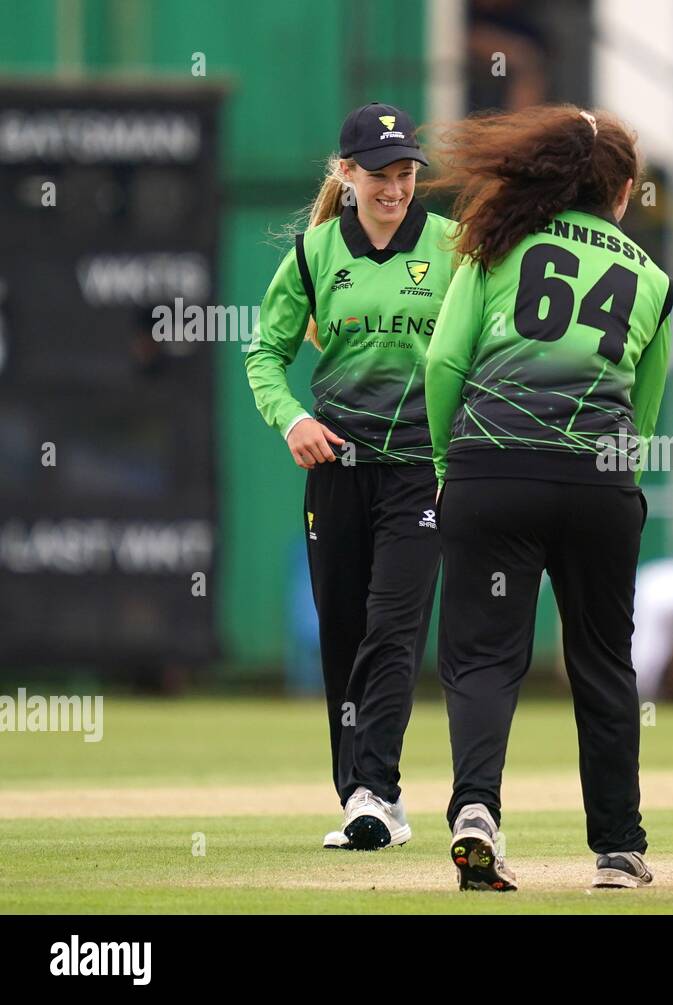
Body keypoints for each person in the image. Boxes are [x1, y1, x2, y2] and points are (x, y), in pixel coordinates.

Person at [424, 105, 673, 891]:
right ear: (624, 191)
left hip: (490, 472)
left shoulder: (494, 245)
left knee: (483, 658)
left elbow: (441, 364)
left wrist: (446, 462)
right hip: (597, 484)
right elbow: (648, 406)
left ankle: (475, 811)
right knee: (602, 661)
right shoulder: (653, 277)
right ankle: (619, 849)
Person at [245, 102, 456, 851]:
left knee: (393, 629)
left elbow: (483, 344)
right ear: (346, 173)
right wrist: (292, 419)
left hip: (418, 474)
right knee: (344, 632)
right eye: (379, 175)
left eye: (405, 174)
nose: (395, 188)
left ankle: (377, 789)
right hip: (337, 468)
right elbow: (263, 354)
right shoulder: (312, 253)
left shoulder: (454, 248)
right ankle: (363, 799)